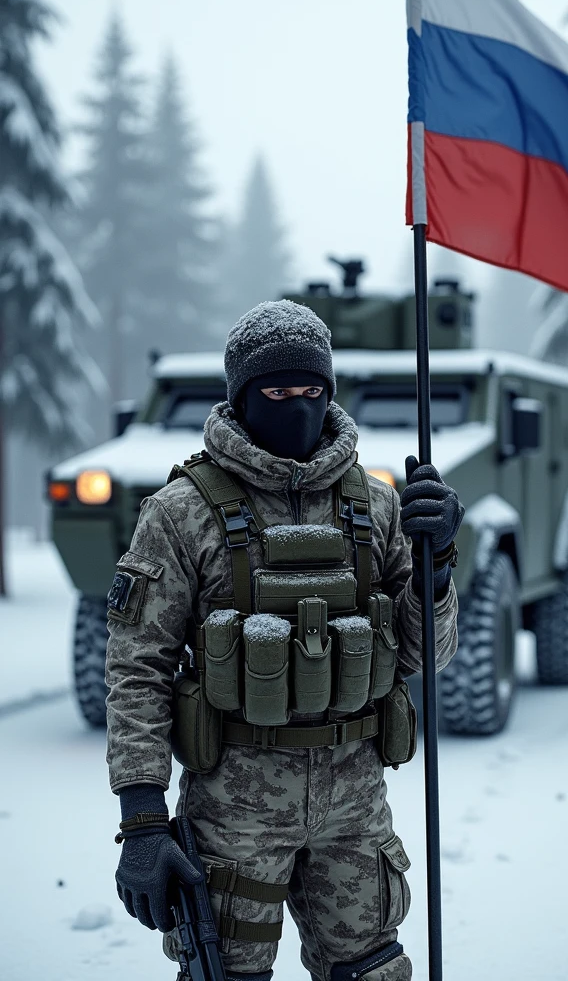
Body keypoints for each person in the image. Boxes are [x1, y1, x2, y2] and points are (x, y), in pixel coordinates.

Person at [106, 300, 463, 981]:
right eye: (275, 392)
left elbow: (425, 655)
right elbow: (137, 670)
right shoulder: (181, 513)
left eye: (312, 391)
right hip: (233, 810)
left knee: (373, 971)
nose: (296, 406)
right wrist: (143, 818)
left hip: (356, 806)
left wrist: (436, 565)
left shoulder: (378, 506)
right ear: (240, 397)